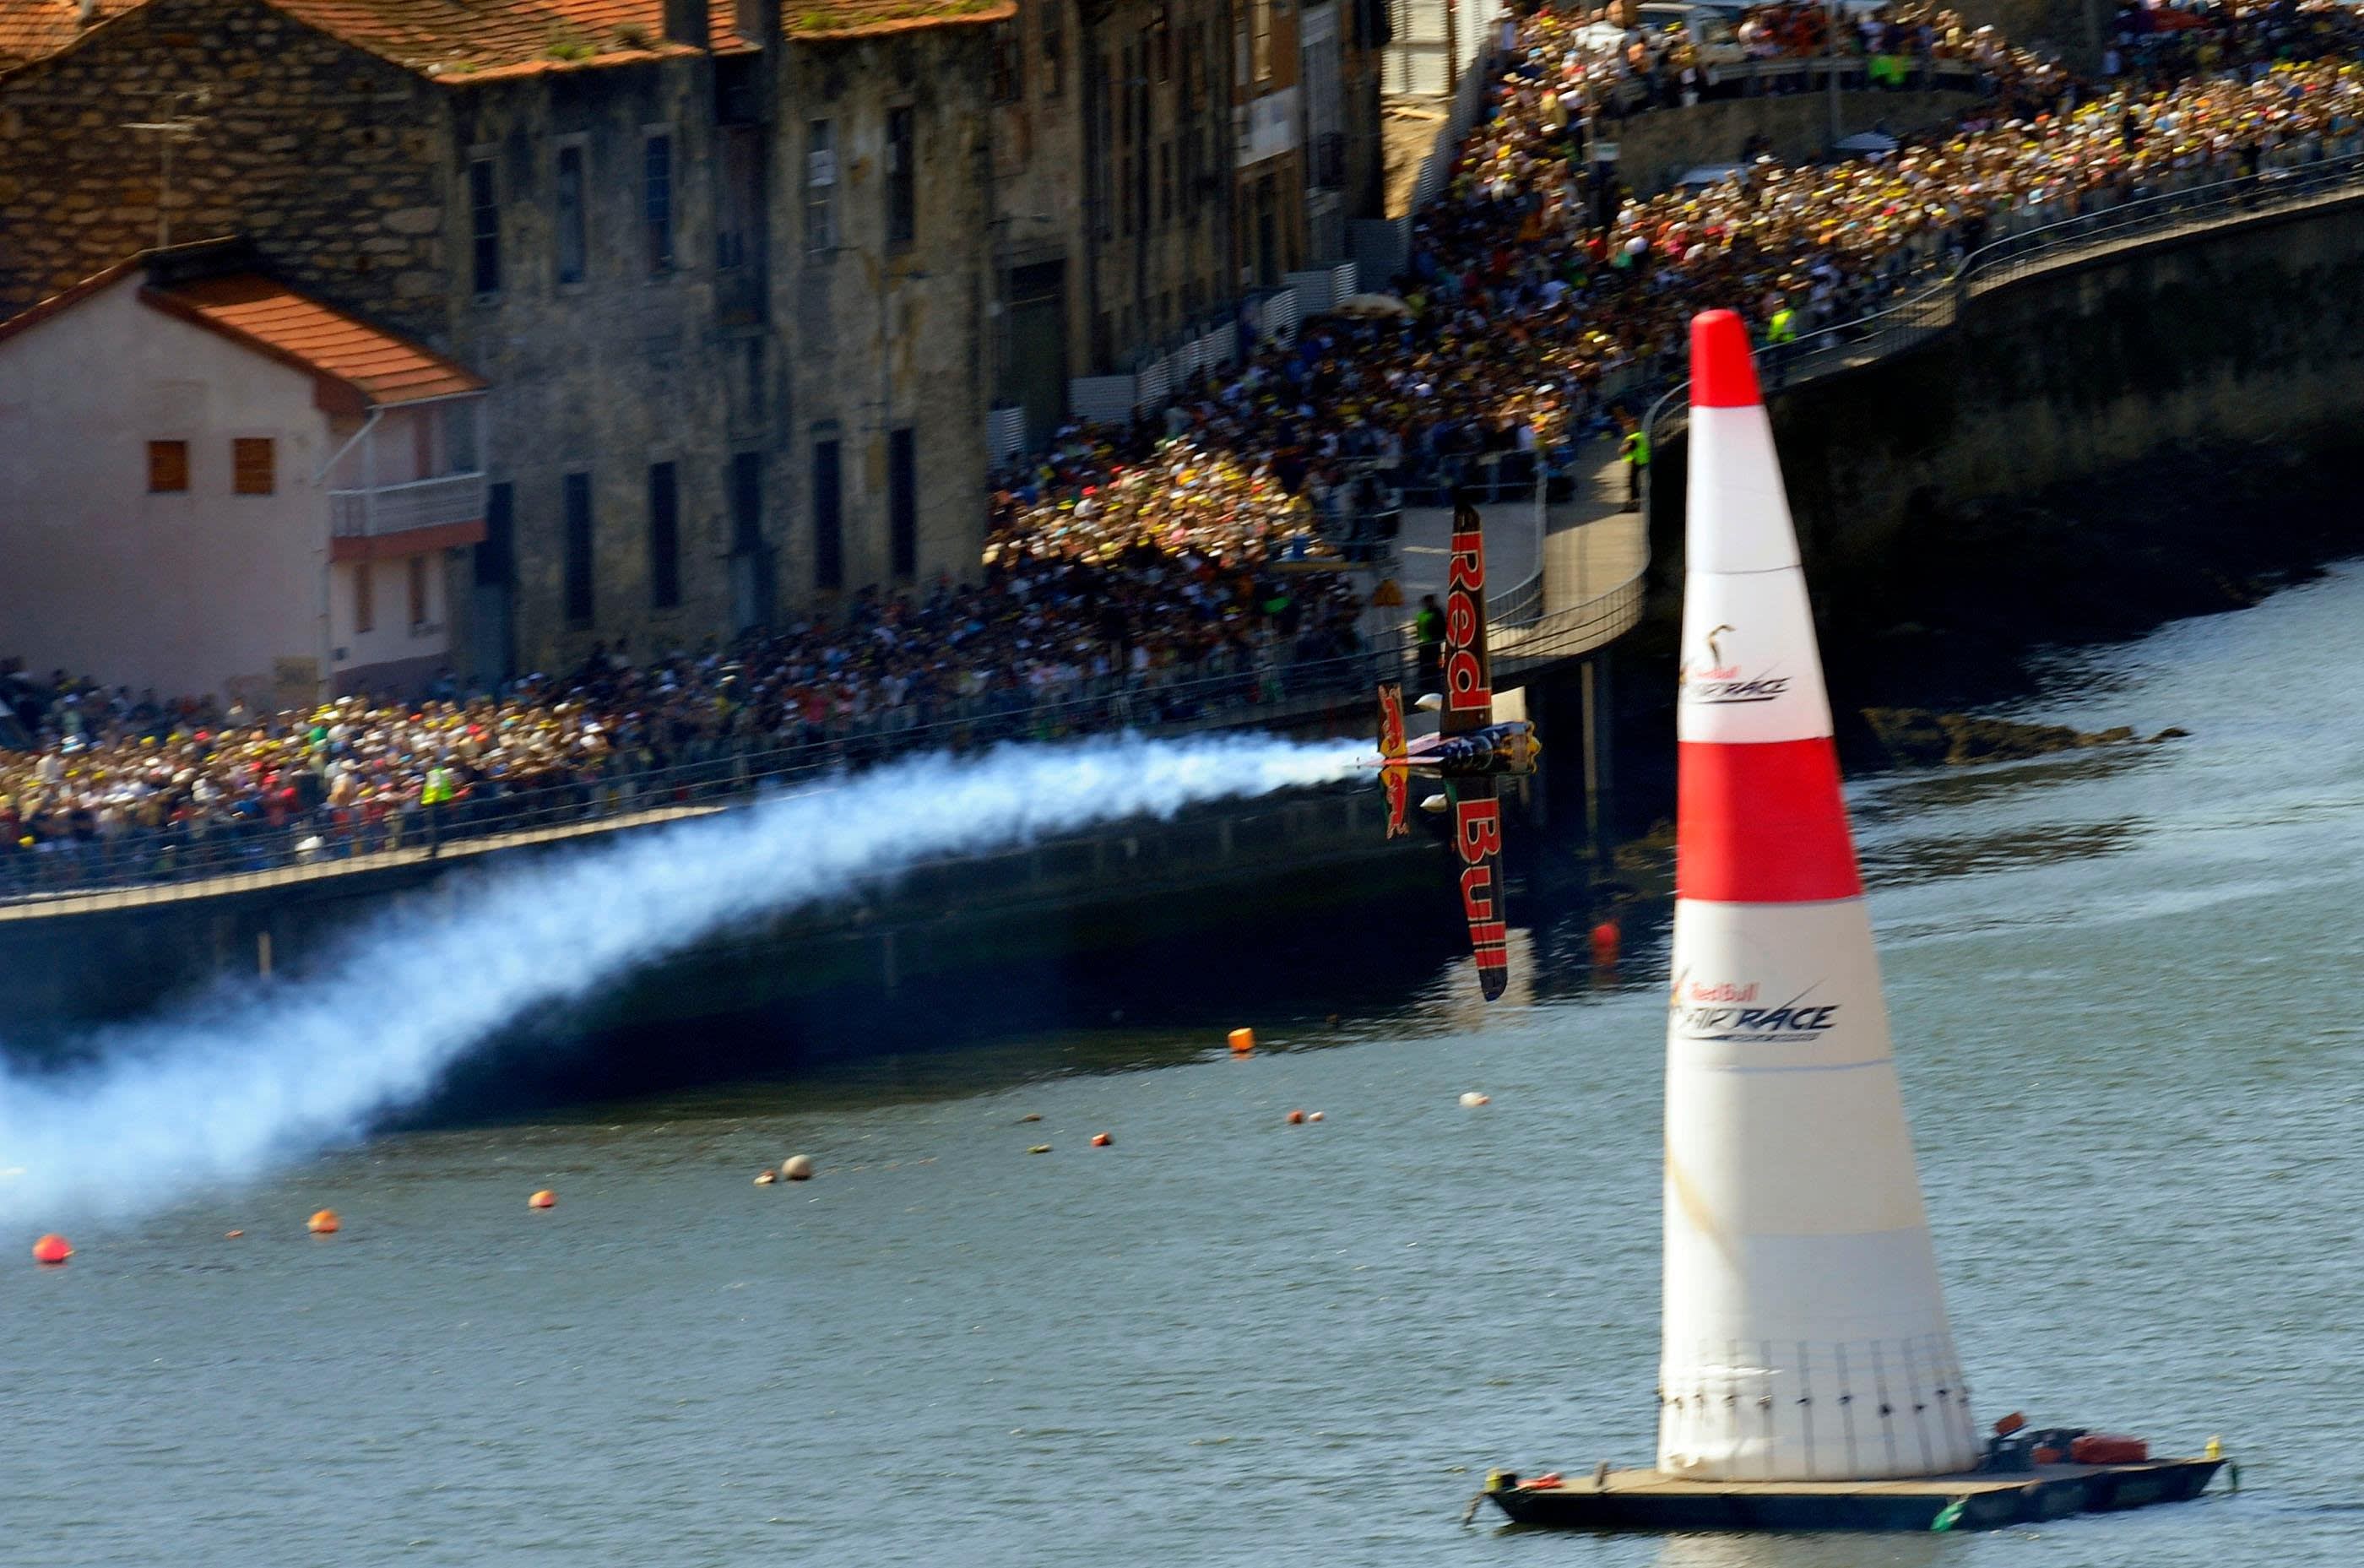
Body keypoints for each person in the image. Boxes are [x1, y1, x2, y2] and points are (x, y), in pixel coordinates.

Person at [1415, 593, 1445, 697]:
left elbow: (1441, 628)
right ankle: (1428, 683)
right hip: (1427, 644)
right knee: (1428, 665)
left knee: (1430, 665)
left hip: (1430, 644)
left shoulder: (1430, 614)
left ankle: (1428, 684)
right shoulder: (1434, 614)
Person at [1618, 414, 1651, 512]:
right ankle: (1636, 501)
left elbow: (1626, 450)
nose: (1626, 428)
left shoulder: (1634, 437)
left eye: (1628, 426)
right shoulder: (1642, 435)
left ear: (1633, 425)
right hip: (1643, 461)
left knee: (1632, 483)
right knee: (1637, 482)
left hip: (1636, 461)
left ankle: (1634, 502)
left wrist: (1622, 449)